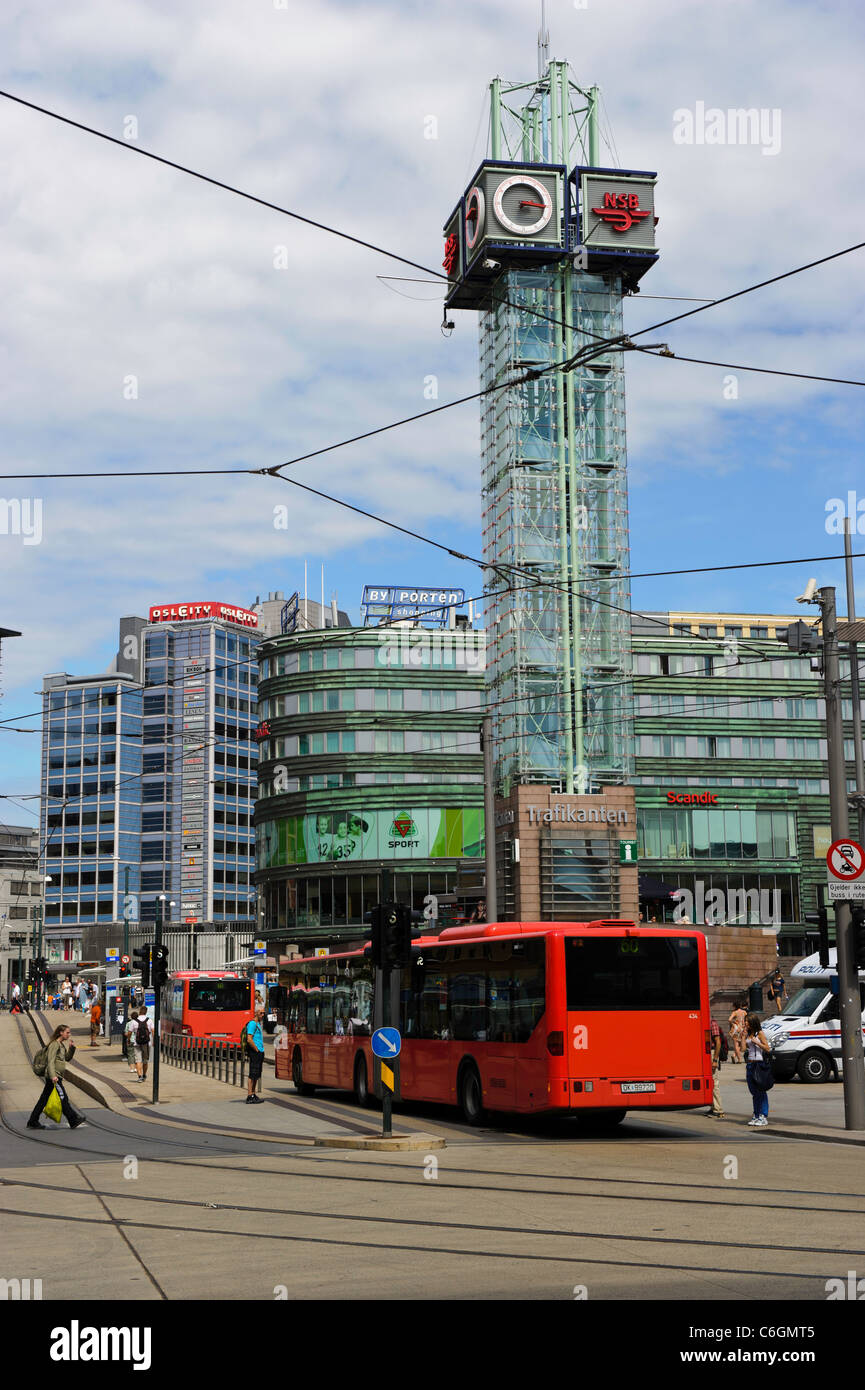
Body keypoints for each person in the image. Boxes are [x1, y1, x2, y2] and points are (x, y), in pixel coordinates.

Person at [27, 1023, 86, 1130]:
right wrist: (53, 1076)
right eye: (67, 1032)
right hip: (54, 1077)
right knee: (63, 1098)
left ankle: (33, 1120)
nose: (69, 1034)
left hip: (55, 1076)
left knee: (44, 1099)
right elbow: (50, 1061)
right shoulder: (54, 1044)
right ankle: (73, 1119)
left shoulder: (61, 1045)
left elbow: (66, 1058)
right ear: (61, 1033)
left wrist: (71, 1049)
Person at [744, 1012, 773, 1128]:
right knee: (754, 1092)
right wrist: (742, 1037)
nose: (745, 1023)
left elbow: (767, 1048)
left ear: (752, 1022)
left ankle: (763, 1115)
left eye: (746, 1021)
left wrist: (758, 1043)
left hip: (759, 1064)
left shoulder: (759, 1033)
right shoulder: (748, 1034)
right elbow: (742, 1049)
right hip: (750, 1065)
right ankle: (756, 1114)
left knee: (760, 1091)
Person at [242, 1006, 266, 1105]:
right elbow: (249, 1039)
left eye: (264, 1013)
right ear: (256, 1013)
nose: (263, 1015)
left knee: (257, 1074)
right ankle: (249, 1095)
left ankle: (253, 1094)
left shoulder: (258, 1024)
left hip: (259, 1051)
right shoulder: (252, 1024)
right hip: (255, 1052)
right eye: (261, 1013)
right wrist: (256, 1049)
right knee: (252, 1074)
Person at [708, 1017, 726, 1118]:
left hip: (712, 1053)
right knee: (710, 1081)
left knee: (714, 1082)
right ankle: (713, 1106)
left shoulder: (712, 1023)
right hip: (707, 1054)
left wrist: (715, 1060)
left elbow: (718, 1042)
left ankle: (719, 1109)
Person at [132, 1007, 154, 1082]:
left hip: (137, 1043)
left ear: (139, 1012)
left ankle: (140, 1076)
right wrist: (153, 1041)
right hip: (147, 1043)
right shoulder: (149, 1020)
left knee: (138, 1060)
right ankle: (144, 1074)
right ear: (146, 1012)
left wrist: (128, 1039)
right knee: (145, 1061)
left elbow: (129, 1032)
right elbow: (153, 1031)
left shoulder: (134, 1021)